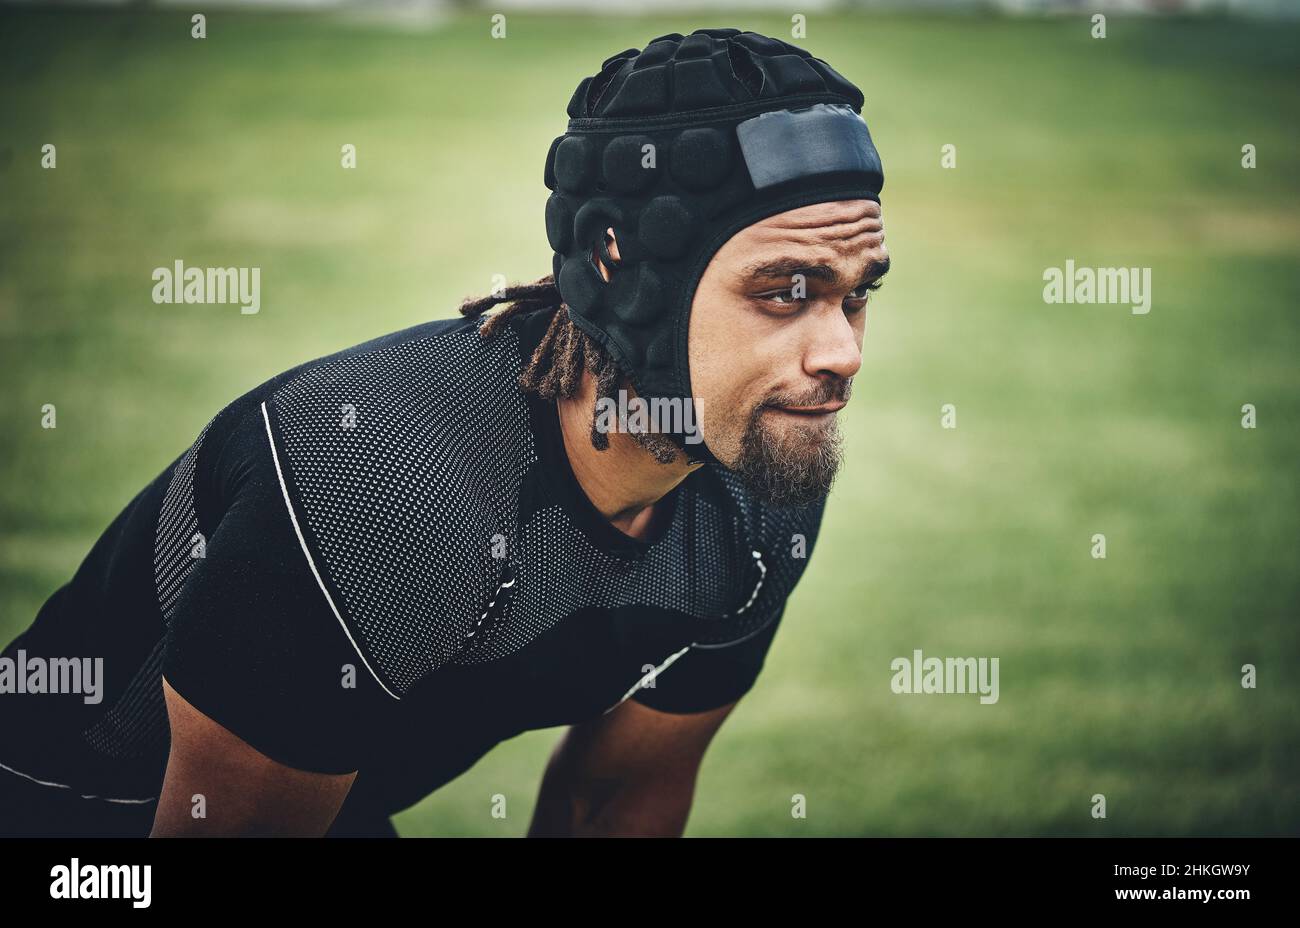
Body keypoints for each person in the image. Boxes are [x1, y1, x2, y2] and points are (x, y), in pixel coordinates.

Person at [0, 26, 888, 837]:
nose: (842, 353)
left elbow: (609, 802)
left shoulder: (758, 482)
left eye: (858, 294)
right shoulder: (384, 475)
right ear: (619, 269)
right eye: (785, 292)